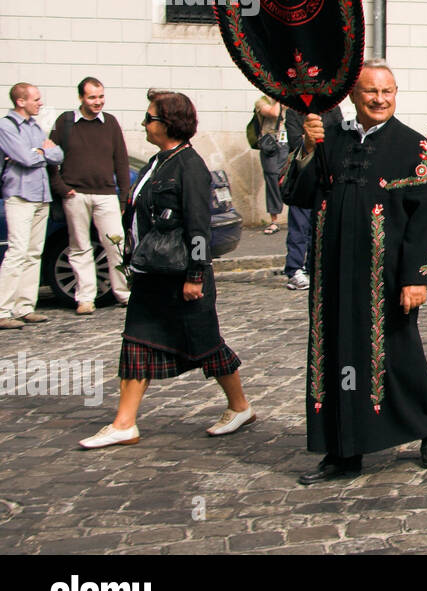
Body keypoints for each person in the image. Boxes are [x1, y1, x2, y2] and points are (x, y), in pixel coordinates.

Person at [282, 60, 427, 483]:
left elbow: (426, 217)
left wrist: (418, 276)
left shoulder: (415, 147)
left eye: (388, 92)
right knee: (335, 356)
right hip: (331, 278)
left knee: (398, 355)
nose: (380, 99)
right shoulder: (329, 139)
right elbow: (296, 193)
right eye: (371, 92)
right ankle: (343, 451)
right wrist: (305, 148)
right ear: (354, 97)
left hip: (387, 279)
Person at [78, 91, 255, 448]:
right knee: (138, 342)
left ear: (168, 124)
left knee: (206, 344)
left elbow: (198, 226)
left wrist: (195, 276)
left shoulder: (189, 166)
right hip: (152, 273)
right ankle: (125, 422)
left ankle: (239, 407)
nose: (144, 124)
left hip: (181, 276)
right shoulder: (158, 162)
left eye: (149, 118)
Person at [47, 78, 132, 314]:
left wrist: (123, 196)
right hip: (75, 195)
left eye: (101, 96)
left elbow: (121, 161)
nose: (98, 102)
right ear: (81, 98)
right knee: (79, 247)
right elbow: (51, 157)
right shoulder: (66, 121)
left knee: (116, 244)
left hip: (106, 195)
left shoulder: (111, 123)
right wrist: (61, 188)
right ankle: (85, 298)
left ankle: (125, 294)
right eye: (92, 97)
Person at [0, 83, 63, 329]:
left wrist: (39, 151)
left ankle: (24, 307)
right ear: (20, 101)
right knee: (17, 252)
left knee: (34, 252)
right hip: (20, 195)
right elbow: (25, 158)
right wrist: (41, 151)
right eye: (36, 99)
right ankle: (3, 309)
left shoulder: (35, 126)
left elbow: (58, 155)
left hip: (41, 195)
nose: (40, 103)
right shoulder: (6, 125)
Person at [282, 105, 343, 290]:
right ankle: (294, 269)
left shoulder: (332, 108)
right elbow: (295, 141)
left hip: (326, 174)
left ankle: (311, 267)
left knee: (318, 226)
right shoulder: (294, 110)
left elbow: (339, 136)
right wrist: (309, 141)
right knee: (299, 226)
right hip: (304, 172)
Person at [253, 95, 287, 234]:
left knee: (287, 178)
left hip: (285, 143)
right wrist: (279, 99)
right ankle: (274, 220)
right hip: (270, 146)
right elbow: (273, 113)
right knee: (272, 178)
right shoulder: (261, 102)